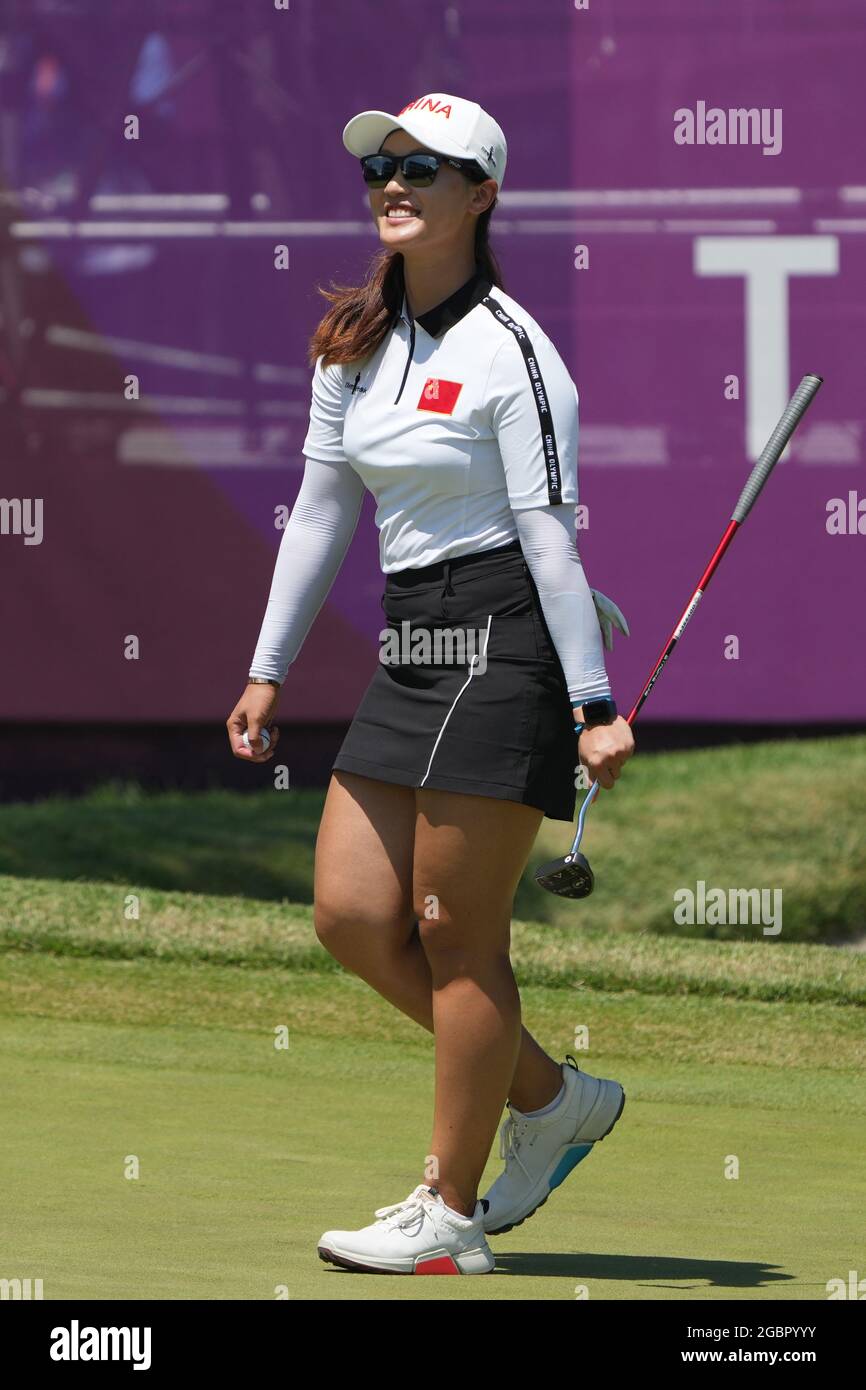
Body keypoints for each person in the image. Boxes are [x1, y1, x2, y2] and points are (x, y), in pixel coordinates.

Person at [226, 93, 635, 1276]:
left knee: (459, 936)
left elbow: (550, 537)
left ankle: (447, 1212)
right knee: (353, 915)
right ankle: (553, 1099)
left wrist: (590, 701)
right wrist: (268, 667)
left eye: (425, 167)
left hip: (505, 639)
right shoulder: (354, 340)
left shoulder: (513, 352)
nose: (393, 182)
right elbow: (317, 513)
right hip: (413, 643)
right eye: (381, 166)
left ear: (482, 193)